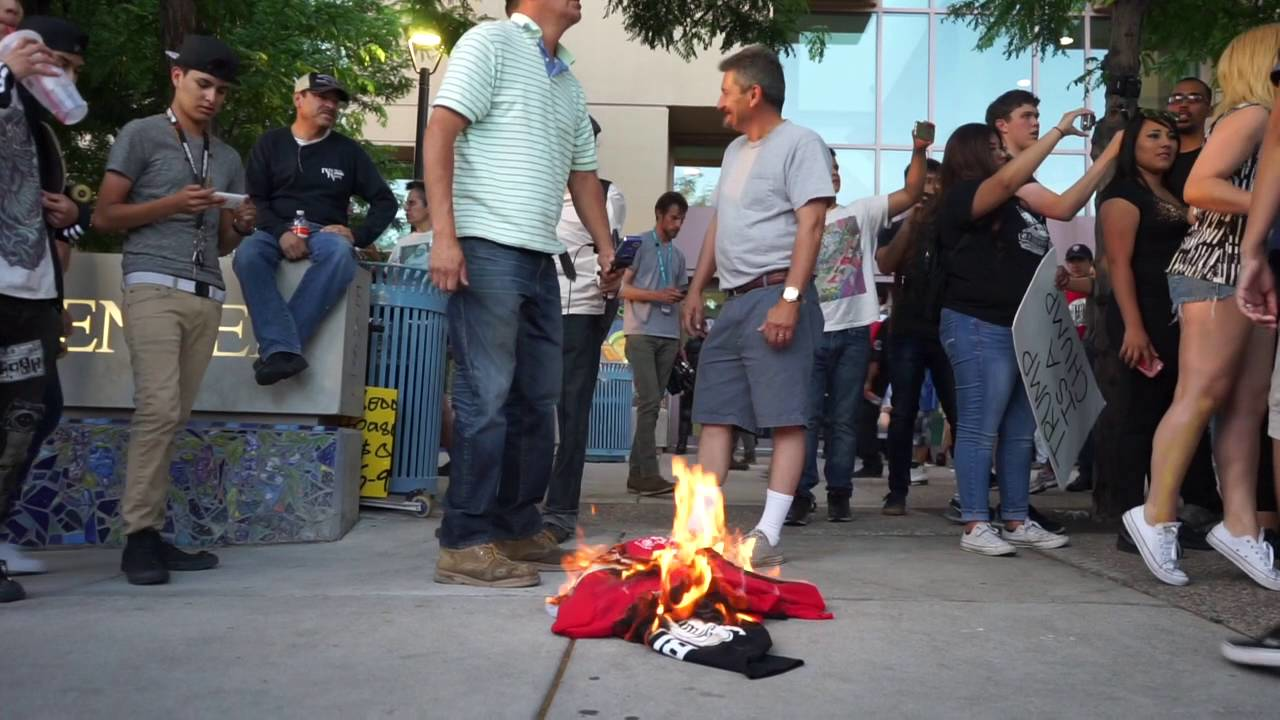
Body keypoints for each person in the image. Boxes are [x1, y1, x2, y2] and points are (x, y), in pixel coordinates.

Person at [425, 0, 616, 587]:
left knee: (536, 400)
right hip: (485, 246)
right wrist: (444, 236)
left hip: (540, 259)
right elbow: (440, 131)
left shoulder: (569, 83)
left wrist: (606, 248)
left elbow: (583, 176)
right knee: (486, 396)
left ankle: (513, 525)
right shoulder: (489, 43)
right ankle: (464, 540)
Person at [93, 35, 255, 586]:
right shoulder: (141, 134)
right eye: (204, 84)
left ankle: (151, 534)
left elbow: (224, 243)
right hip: (152, 285)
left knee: (174, 417)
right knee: (159, 410)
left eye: (222, 90)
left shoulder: (226, 157)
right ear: (177, 77)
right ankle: (139, 537)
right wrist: (171, 204)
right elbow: (104, 216)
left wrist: (240, 224)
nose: (212, 98)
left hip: (207, 292)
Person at [1128, 24, 1280, 591]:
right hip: (1215, 267)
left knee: (1245, 405)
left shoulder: (1259, 118)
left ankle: (1239, 526)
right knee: (1202, 395)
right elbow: (1200, 187)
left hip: (1243, 269)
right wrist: (1267, 203)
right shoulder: (1252, 116)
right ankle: (1155, 513)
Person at [681, 45, 835, 566]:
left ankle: (768, 534)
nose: (718, 102)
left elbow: (812, 225)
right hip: (733, 301)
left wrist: (790, 299)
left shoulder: (801, 143)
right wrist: (697, 288)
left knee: (786, 418)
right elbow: (719, 225)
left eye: (725, 91)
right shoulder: (732, 152)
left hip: (775, 293)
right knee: (715, 415)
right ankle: (701, 530)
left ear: (754, 94)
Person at [934, 111, 1105, 557]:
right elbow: (1008, 180)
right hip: (978, 324)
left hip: (1023, 327)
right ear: (973, 155)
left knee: (1020, 430)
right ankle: (975, 521)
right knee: (980, 426)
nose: (1002, 156)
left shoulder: (1017, 201)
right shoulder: (964, 196)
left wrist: (1108, 159)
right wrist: (1060, 131)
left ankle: (1015, 517)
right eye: (993, 149)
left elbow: (1064, 206)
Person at [786, 136, 930, 527]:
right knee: (805, 419)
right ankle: (800, 495)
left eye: (835, 169)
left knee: (844, 418)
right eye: (824, 169)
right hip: (808, 332)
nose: (832, 174)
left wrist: (918, 150)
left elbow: (911, 192)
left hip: (852, 333)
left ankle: (839, 493)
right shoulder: (794, 223)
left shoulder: (860, 212)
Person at [0, 15, 87, 602]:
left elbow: (55, 219)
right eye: (60, 64)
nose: (65, 79)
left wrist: (72, 219)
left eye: (73, 70)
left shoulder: (44, 130)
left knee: (23, 420)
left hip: (30, 295)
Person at [236, 72, 396, 386]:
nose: (331, 105)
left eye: (335, 100)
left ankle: (280, 350)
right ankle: (284, 349)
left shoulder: (348, 151)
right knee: (247, 254)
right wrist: (281, 233)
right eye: (322, 97)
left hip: (325, 232)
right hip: (273, 230)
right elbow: (256, 199)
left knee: (340, 253)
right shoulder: (270, 143)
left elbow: (385, 201)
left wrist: (358, 235)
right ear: (299, 99)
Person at [542, 117, 627, 543]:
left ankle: (559, 511)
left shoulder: (607, 193)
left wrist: (608, 286)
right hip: (535, 309)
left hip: (580, 311)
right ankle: (518, 504)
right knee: (527, 410)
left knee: (572, 414)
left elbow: (610, 258)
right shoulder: (537, 189)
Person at [874, 158, 957, 515]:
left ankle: (970, 491)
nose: (928, 188)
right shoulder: (893, 224)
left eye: (935, 181)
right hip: (906, 329)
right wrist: (911, 223)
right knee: (903, 411)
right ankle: (897, 491)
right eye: (922, 181)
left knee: (957, 409)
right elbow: (885, 263)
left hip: (947, 327)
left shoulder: (953, 225)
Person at [621, 191, 689, 495]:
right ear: (659, 214)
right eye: (674, 218)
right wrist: (657, 296)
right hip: (641, 333)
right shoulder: (637, 244)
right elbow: (621, 288)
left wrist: (682, 339)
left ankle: (637, 476)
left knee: (652, 404)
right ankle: (648, 473)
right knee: (649, 401)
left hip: (669, 336)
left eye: (682, 219)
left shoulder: (679, 256)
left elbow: (681, 299)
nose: (678, 225)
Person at [1167, 77, 1215, 203]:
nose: (1183, 105)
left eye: (1194, 99)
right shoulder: (1156, 155)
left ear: (1210, 110)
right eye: (1176, 99)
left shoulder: (1214, 157)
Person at [388, 180, 432, 268]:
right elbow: (389, 274)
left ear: (429, 206)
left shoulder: (445, 241)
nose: (406, 208)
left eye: (412, 203)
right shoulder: (401, 243)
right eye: (406, 204)